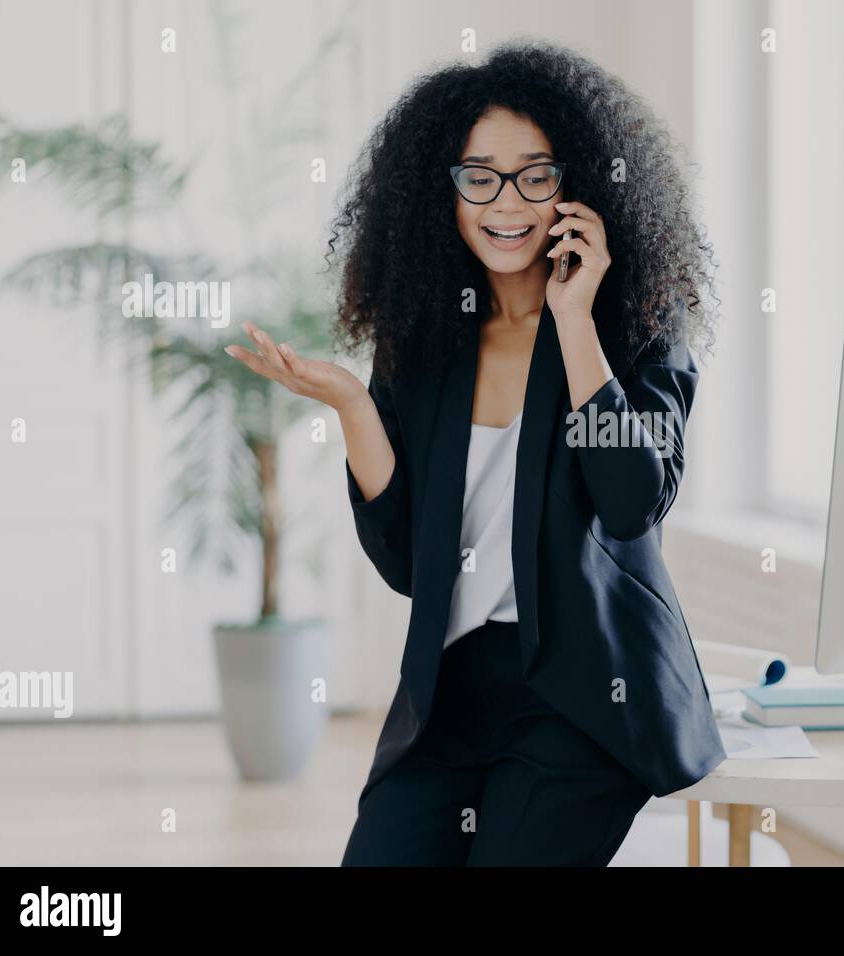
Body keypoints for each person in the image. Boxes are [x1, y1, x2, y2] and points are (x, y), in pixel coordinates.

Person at [225, 40, 723, 866]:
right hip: (449, 693)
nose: (507, 201)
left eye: (537, 174)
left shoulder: (635, 332)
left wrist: (574, 320)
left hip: (582, 700)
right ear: (444, 194)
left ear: (578, 186)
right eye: (478, 176)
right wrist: (352, 402)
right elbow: (405, 560)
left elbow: (634, 501)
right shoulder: (425, 341)